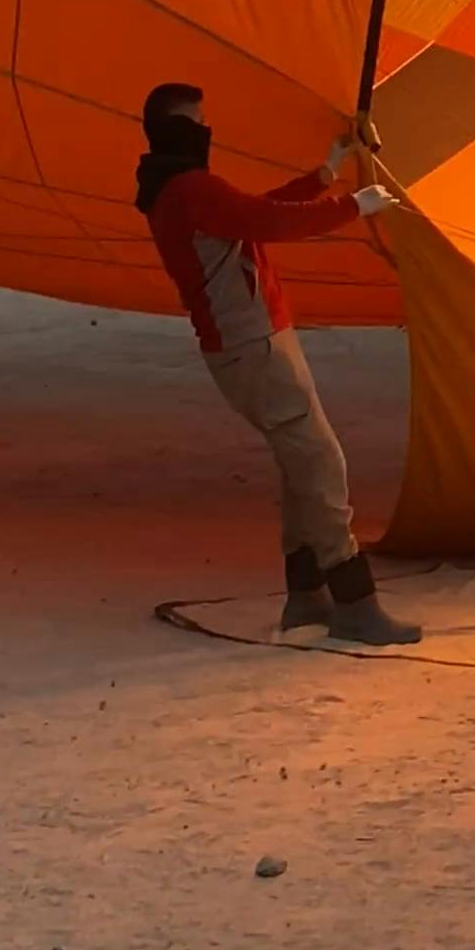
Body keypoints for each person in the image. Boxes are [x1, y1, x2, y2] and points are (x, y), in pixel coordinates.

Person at [136, 81, 421, 648]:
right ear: (178, 132)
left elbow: (253, 212)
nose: (204, 132)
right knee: (321, 461)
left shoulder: (177, 189)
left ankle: (306, 594)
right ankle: (354, 600)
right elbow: (266, 222)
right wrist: (350, 206)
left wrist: (324, 175)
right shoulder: (189, 189)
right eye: (196, 123)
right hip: (252, 344)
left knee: (300, 463)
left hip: (256, 340)